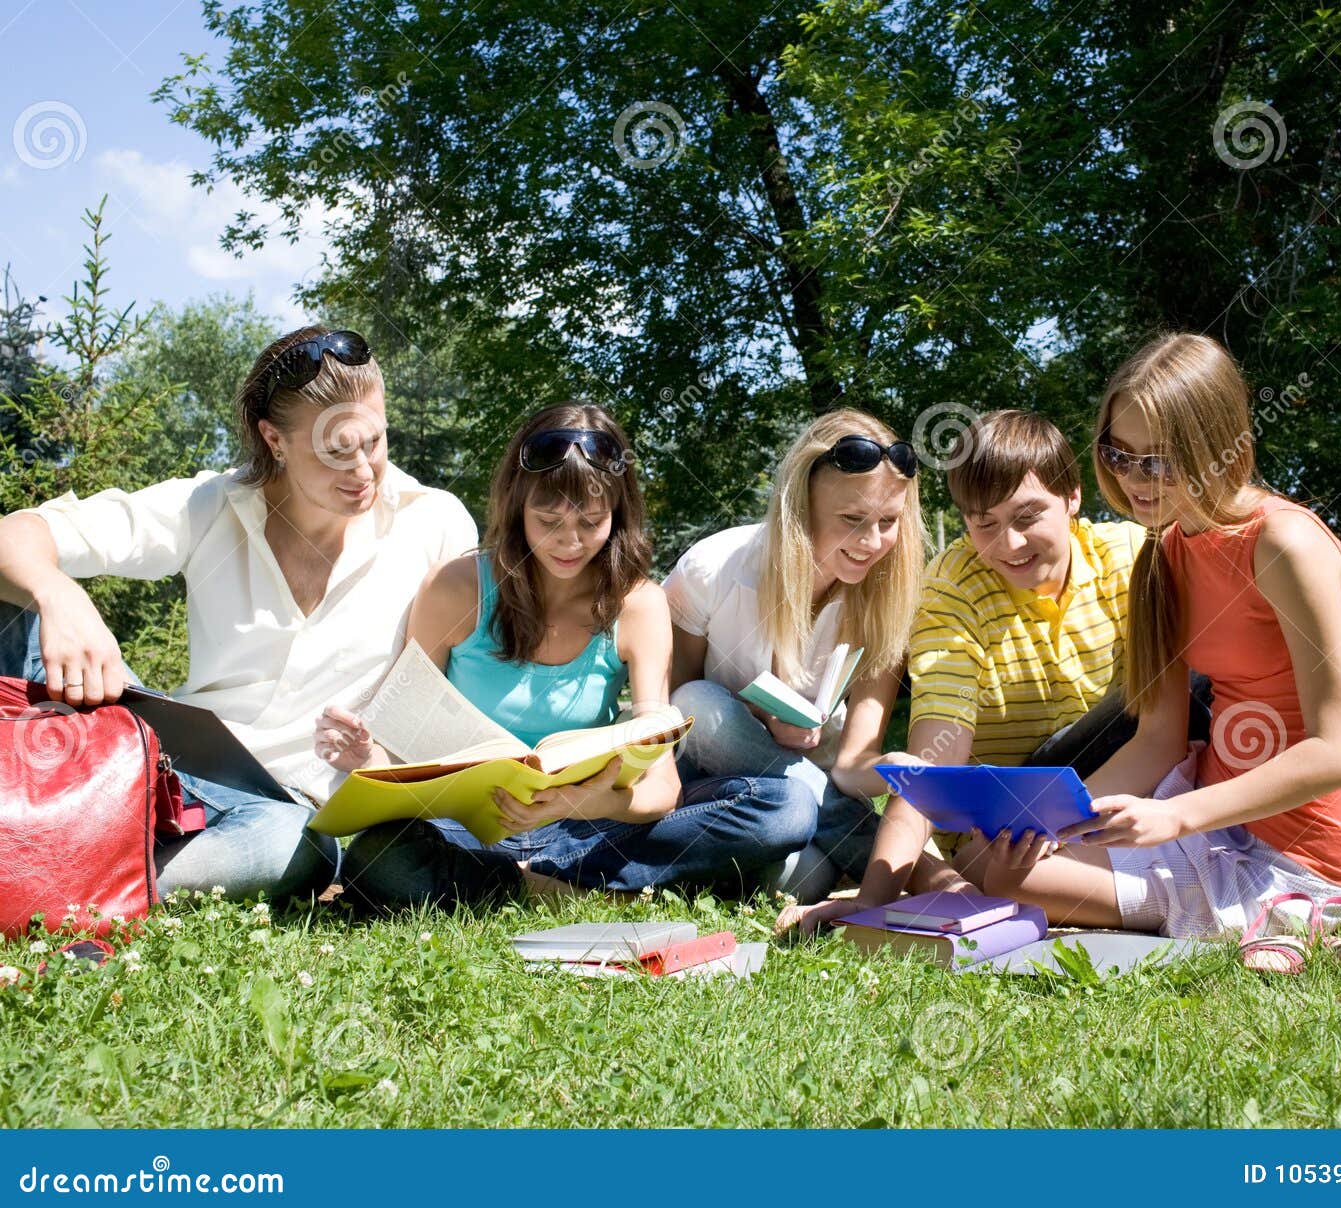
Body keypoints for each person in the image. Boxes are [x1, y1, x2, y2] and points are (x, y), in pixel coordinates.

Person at [0, 326, 478, 900]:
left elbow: (456, 685)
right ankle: (77, 854)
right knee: (13, 601)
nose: (362, 471)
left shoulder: (435, 523)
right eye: (335, 451)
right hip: (171, 763)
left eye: (374, 442)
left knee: (291, 847)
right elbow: (19, 533)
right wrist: (59, 594)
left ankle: (57, 882)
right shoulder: (210, 505)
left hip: (288, 813)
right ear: (275, 439)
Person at [949, 333, 1341, 944]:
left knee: (1009, 880)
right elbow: (1157, 741)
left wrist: (1175, 816)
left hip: (1300, 851)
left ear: (1216, 447)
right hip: (1208, 813)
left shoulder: (1283, 546)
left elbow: (1340, 752)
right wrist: (1046, 823)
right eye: (1119, 455)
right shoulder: (1163, 552)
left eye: (1157, 461)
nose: (1135, 480)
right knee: (987, 856)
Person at [328, 403, 815, 908]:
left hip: (585, 828)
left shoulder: (638, 604)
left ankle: (509, 886)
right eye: (548, 520)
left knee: (786, 807)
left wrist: (586, 801)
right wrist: (367, 756)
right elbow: (403, 750)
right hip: (467, 830)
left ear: (618, 514)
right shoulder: (456, 587)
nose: (570, 541)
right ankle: (557, 888)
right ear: (517, 508)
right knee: (380, 857)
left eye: (592, 521)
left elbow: (662, 786)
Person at [782, 408, 1181, 934]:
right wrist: (875, 900)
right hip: (1006, 835)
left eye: (1028, 517)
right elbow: (934, 764)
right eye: (984, 523)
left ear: (1072, 497)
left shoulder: (1132, 557)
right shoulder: (952, 590)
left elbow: (1175, 723)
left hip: (1130, 788)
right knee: (1001, 869)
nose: (1008, 544)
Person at [664, 409, 926, 903]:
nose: (872, 542)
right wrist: (759, 716)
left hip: (801, 794)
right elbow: (672, 713)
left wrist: (890, 766)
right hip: (709, 773)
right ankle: (920, 874)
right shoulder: (712, 569)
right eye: (851, 520)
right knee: (699, 702)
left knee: (802, 877)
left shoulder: (887, 602)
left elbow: (850, 767)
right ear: (801, 506)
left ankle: (722, 866)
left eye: (888, 522)